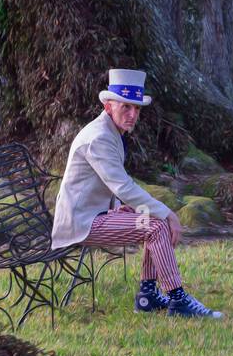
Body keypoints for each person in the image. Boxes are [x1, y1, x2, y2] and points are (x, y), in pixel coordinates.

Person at [50, 69, 223, 318]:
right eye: (126, 107)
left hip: (96, 215)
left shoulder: (109, 131)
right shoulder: (99, 137)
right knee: (156, 225)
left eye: (137, 109)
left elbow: (110, 182)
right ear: (108, 106)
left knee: (153, 223)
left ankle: (148, 296)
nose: (133, 115)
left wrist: (118, 206)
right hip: (82, 223)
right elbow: (123, 186)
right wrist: (168, 213)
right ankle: (177, 299)